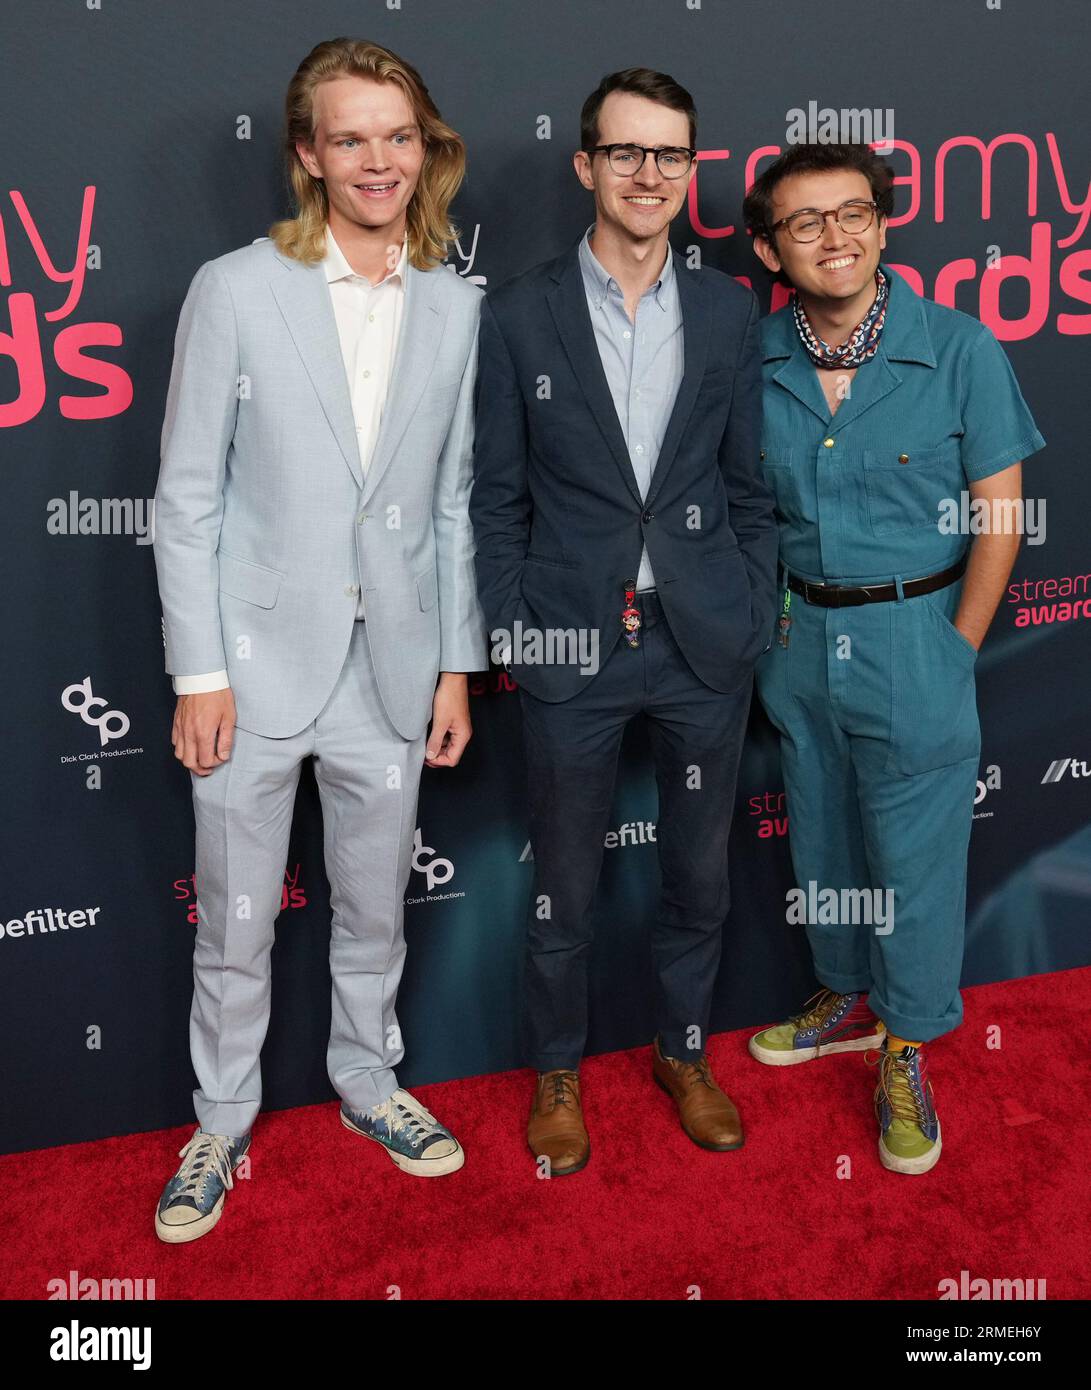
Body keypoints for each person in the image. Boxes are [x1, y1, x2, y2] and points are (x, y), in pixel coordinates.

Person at [151, 37, 486, 1242]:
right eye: (350, 137)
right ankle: (221, 1123)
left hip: (391, 673)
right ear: (307, 154)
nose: (377, 159)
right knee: (235, 917)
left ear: (425, 148)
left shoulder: (454, 305)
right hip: (247, 672)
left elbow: (448, 503)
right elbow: (186, 498)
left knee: (373, 906)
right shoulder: (234, 289)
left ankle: (368, 1082)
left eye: (397, 135)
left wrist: (455, 660)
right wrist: (198, 669)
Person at [471, 68, 778, 1175]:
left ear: (688, 172)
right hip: (570, 641)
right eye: (624, 152)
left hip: (702, 639)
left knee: (699, 876)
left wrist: (751, 602)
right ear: (585, 165)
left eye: (667, 155)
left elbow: (747, 486)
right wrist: (512, 628)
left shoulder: (726, 308)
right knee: (563, 880)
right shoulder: (515, 314)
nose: (646, 173)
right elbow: (495, 498)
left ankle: (683, 1054)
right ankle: (556, 1071)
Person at [743, 143, 1045, 1174]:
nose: (835, 237)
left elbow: (999, 523)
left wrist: (951, 646)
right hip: (794, 640)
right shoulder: (752, 362)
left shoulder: (958, 349)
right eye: (805, 222)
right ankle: (841, 996)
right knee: (820, 837)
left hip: (914, 636)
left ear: (881, 225)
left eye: (852, 214)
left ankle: (906, 1043)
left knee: (913, 865)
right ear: (767, 247)